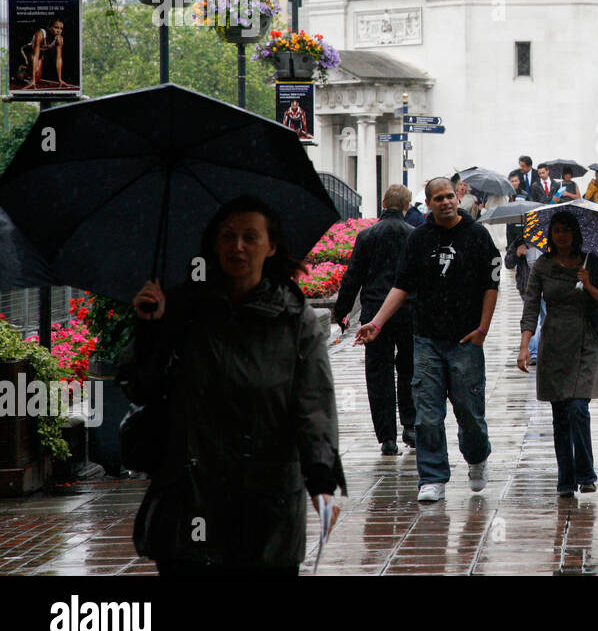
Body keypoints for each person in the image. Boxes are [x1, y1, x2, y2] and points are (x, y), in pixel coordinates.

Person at [119, 195, 346, 575]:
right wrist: (151, 329)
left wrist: (321, 481)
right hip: (191, 497)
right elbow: (141, 387)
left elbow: (313, 405)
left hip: (267, 504)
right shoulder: (183, 310)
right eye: (227, 236)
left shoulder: (294, 320)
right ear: (213, 244)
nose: (237, 246)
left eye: (250, 236)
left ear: (271, 246)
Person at [356, 176, 501, 503]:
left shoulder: (477, 236)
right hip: (427, 339)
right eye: (439, 198)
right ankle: (432, 476)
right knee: (427, 413)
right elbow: (401, 286)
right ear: (429, 204)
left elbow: (492, 283)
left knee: (469, 411)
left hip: (466, 340)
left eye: (450, 196)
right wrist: (376, 323)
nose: (446, 202)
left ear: (457, 196)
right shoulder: (418, 239)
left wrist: (483, 329)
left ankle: (477, 458)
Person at [517, 211, 598, 496]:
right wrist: (525, 346)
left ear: (576, 234)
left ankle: (586, 473)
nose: (562, 235)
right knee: (560, 413)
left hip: (585, 343)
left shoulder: (592, 263)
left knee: (578, 408)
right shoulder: (542, 266)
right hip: (553, 344)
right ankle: (565, 479)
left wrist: (589, 285)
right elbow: (531, 308)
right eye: (557, 230)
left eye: (567, 230)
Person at [334, 184, 417, 454]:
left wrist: (341, 311)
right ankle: (410, 425)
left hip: (374, 313)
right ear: (407, 207)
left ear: (383, 203)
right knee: (408, 369)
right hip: (407, 311)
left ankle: (387, 437)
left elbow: (353, 276)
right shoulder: (413, 236)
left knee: (378, 373)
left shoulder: (367, 235)